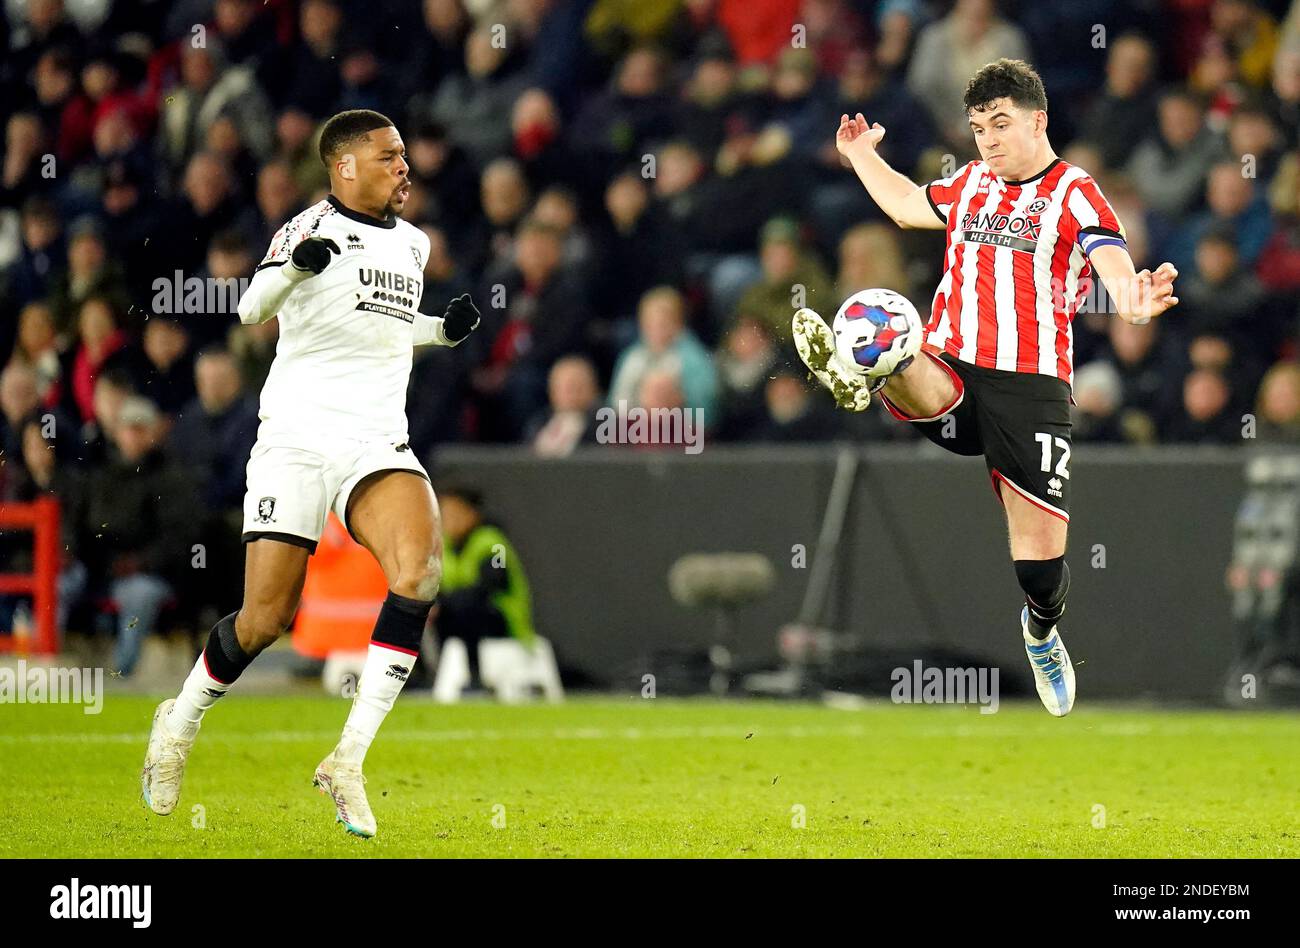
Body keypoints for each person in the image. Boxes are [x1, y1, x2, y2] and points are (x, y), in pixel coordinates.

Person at [794, 59, 1180, 717]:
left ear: (1038, 120)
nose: (989, 140)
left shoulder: (1074, 191)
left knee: (1039, 569)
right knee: (890, 319)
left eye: (1000, 124)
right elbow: (904, 203)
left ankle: (1040, 630)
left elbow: (1108, 256)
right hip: (953, 369)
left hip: (1031, 388)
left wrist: (1130, 298)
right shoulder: (967, 184)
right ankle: (866, 371)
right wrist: (861, 155)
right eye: (978, 128)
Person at [140, 109, 483, 839]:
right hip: (295, 441)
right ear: (344, 166)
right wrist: (297, 266)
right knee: (265, 620)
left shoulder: (416, 244)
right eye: (389, 157)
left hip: (375, 442)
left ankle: (348, 759)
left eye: (404, 156)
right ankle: (181, 720)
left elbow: (389, 325)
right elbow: (251, 305)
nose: (404, 168)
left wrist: (441, 331)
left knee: (419, 573)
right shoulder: (303, 227)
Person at [435, 484, 536, 694]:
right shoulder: (442, 545)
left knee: (467, 608)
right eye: (444, 513)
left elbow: (493, 582)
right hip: (456, 617)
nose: (448, 520)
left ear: (472, 514)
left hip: (502, 619)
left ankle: (477, 678)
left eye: (454, 513)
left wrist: (449, 601)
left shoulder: (494, 543)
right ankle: (423, 675)